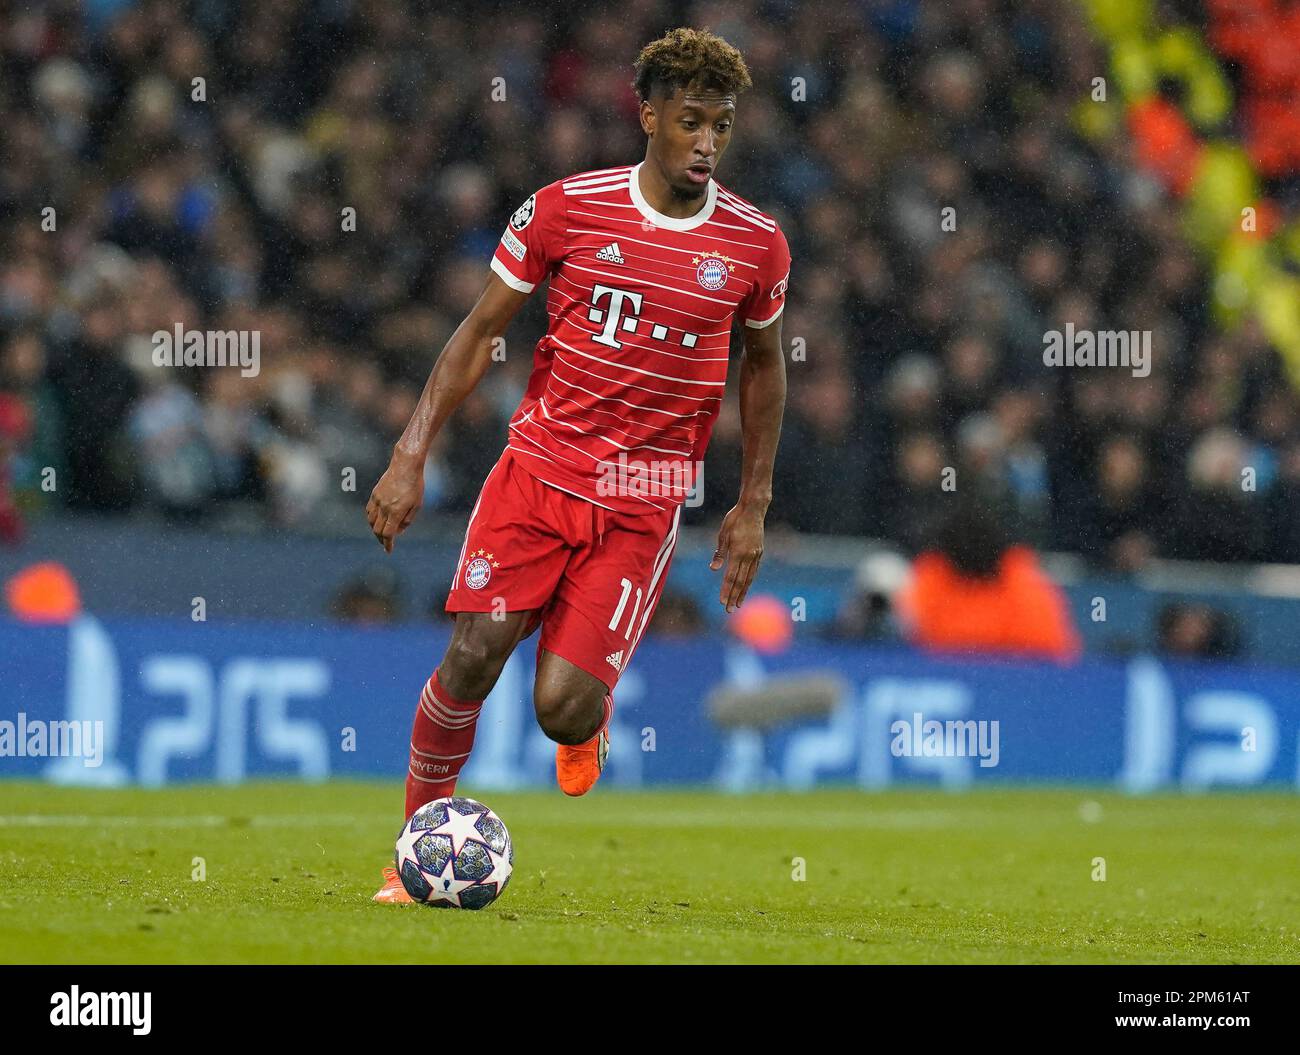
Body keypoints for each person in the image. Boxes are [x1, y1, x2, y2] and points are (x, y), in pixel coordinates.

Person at [364, 28, 791, 903]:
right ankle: (411, 857)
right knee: (475, 652)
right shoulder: (567, 207)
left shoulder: (755, 245)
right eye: (690, 120)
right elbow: (481, 332)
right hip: (538, 468)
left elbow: (766, 366)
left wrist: (753, 503)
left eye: (721, 124)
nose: (707, 141)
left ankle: (580, 721)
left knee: (561, 704)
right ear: (647, 116)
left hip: (644, 497)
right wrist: (409, 456)